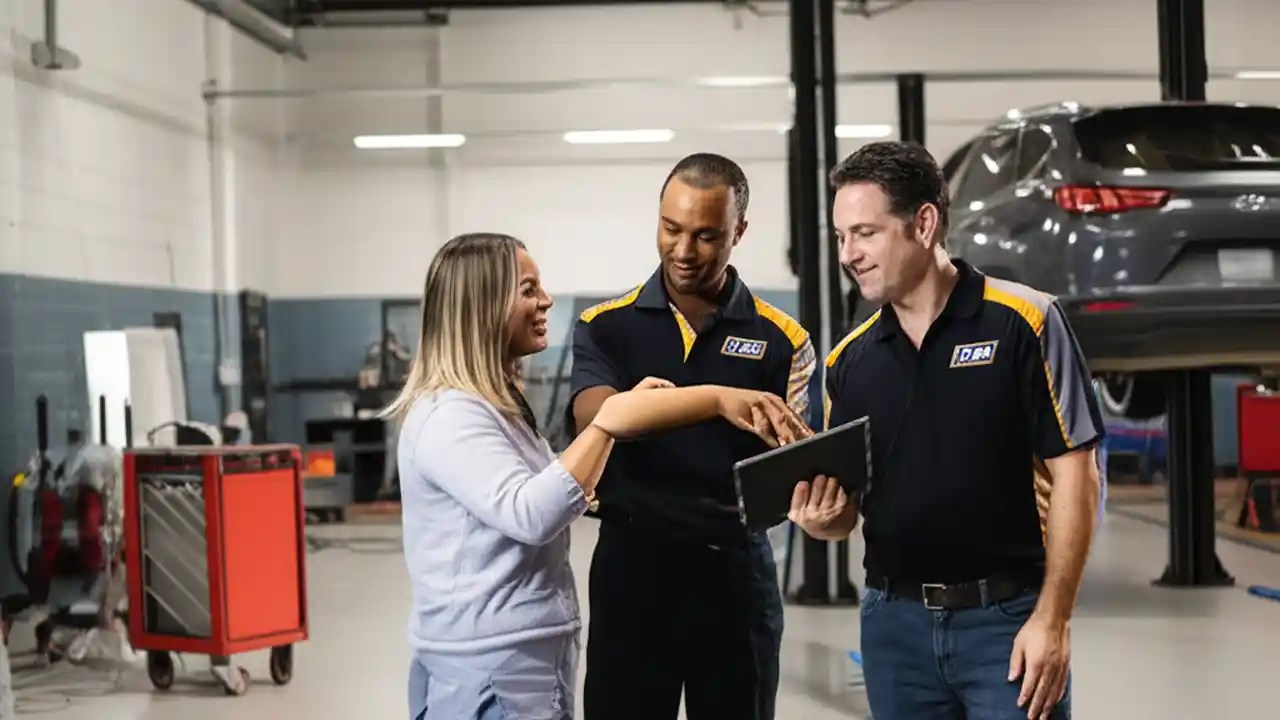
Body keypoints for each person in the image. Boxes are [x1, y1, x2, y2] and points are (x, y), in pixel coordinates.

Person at [387, 232, 807, 720]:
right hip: (490, 667)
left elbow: (554, 484)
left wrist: (636, 418)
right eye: (528, 289)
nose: (545, 300)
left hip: (523, 661)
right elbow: (530, 513)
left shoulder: (496, 408)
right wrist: (612, 420)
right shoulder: (451, 416)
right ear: (482, 306)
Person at [791, 142, 1105, 720]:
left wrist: (1053, 618)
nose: (848, 254)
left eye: (864, 233)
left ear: (925, 224)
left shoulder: (1025, 323)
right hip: (894, 629)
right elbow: (846, 513)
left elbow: (1077, 478)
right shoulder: (849, 365)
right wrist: (821, 518)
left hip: (1007, 624)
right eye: (841, 237)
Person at [566, 153, 818, 720]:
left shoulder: (785, 340)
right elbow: (595, 417)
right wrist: (715, 401)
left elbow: (797, 461)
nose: (683, 251)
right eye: (671, 229)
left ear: (740, 232)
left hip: (734, 577)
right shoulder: (606, 326)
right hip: (633, 572)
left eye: (707, 236)